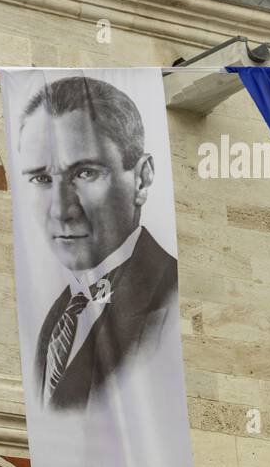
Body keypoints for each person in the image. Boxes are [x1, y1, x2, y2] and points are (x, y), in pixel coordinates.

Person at [17, 75, 178, 411]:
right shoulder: (56, 318)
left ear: (142, 178)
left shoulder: (170, 300)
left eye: (85, 173)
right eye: (42, 179)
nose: (62, 210)